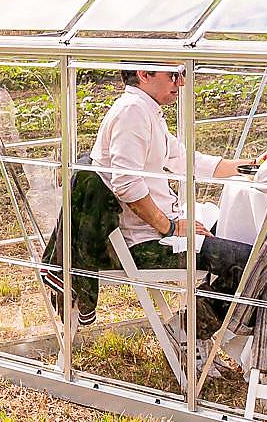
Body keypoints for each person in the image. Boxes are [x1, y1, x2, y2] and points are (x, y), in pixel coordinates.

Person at [90, 66, 253, 333]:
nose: (181, 82)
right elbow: (126, 184)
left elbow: (185, 160)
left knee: (243, 236)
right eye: (173, 75)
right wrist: (170, 227)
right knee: (249, 262)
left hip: (162, 228)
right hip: (147, 241)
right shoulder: (132, 112)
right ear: (144, 75)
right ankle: (188, 332)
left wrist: (250, 165)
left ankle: (191, 330)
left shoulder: (144, 110)